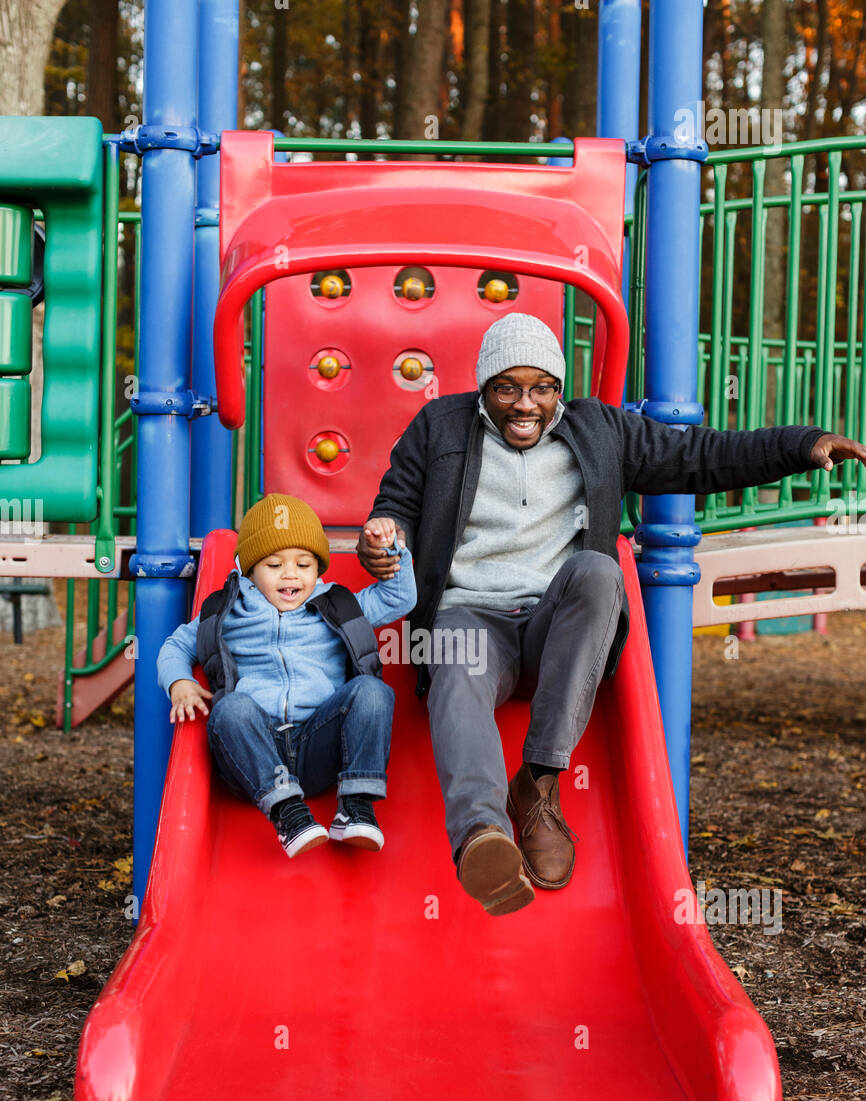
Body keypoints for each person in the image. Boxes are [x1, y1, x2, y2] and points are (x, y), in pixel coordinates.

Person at [358, 311, 866, 916]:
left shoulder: (598, 428)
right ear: (483, 388)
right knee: (453, 652)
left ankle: (538, 785)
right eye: (507, 388)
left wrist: (799, 446)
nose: (526, 404)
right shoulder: (439, 426)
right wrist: (381, 538)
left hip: (556, 624)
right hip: (472, 616)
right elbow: (396, 505)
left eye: (542, 388)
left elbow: (698, 456)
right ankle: (481, 835)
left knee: (600, 573)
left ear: (559, 390)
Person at [157, 493, 415, 858]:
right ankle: (288, 814)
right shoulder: (228, 611)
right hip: (254, 751)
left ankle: (355, 805)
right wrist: (179, 682)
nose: (291, 574)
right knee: (231, 709)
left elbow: (398, 598)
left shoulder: (335, 605)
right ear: (248, 571)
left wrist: (390, 550)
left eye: (304, 564)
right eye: (275, 565)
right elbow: (176, 646)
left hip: (321, 745)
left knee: (372, 691)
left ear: (318, 569)